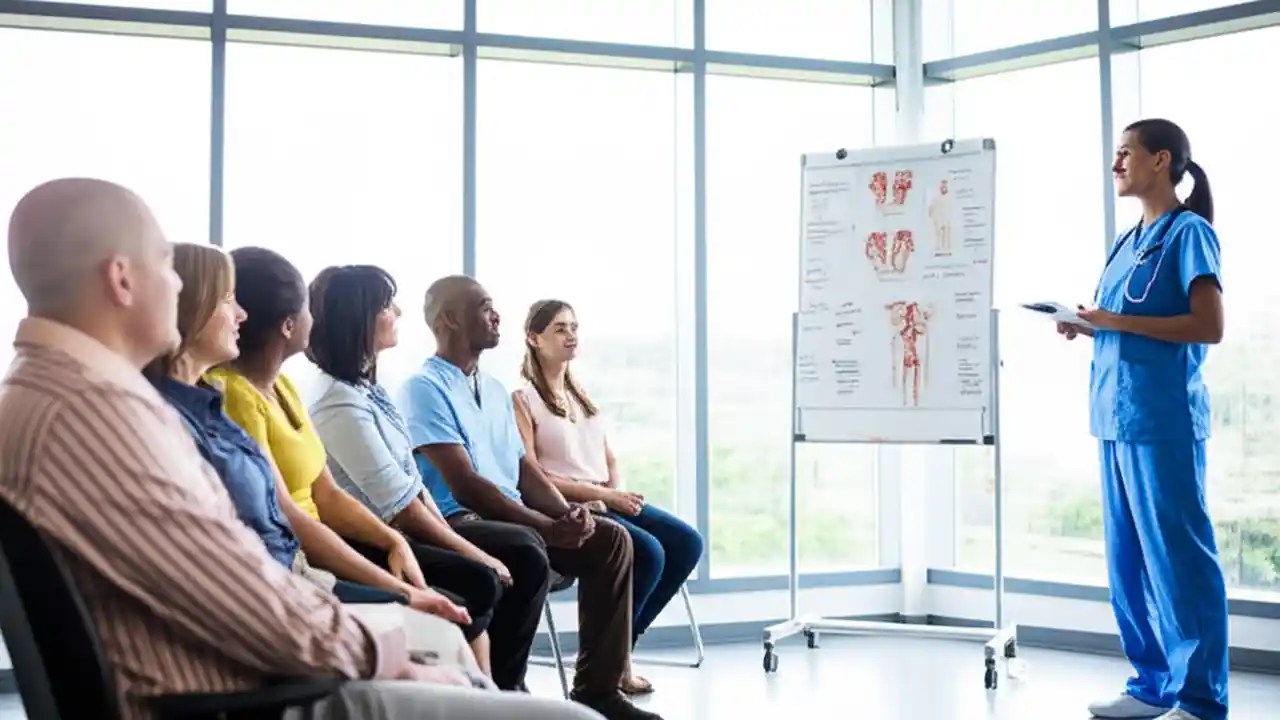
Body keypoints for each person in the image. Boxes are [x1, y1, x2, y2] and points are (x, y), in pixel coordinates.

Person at [0, 177, 604, 720]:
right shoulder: (100, 418)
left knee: (454, 648)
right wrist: (391, 651)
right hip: (238, 697)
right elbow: (249, 600)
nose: (183, 287)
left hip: (236, 676)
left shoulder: (52, 397)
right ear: (121, 278)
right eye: (168, 264)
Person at [143, 243, 487, 679]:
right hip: (288, 594)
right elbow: (265, 539)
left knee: (461, 616)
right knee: (455, 622)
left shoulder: (233, 398)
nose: (242, 315)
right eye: (229, 301)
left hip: (299, 577)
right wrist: (397, 594)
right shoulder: (217, 406)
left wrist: (394, 549)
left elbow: (323, 494)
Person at [402, 275, 663, 720]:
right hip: (461, 521)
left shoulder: (496, 391)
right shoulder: (424, 388)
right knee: (527, 545)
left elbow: (524, 469)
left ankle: (596, 690)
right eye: (484, 307)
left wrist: (568, 515)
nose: (496, 314)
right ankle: (510, 691)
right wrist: (544, 525)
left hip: (515, 516)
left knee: (612, 540)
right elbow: (465, 483)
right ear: (448, 319)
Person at [307, 263, 541, 691]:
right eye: (385, 305)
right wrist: (474, 552)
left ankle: (499, 690)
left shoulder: (370, 389)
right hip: (370, 537)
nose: (397, 310)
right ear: (360, 319)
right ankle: (496, 692)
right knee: (483, 574)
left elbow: (412, 484)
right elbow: (400, 507)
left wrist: (469, 548)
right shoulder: (338, 402)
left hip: (399, 528)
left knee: (499, 564)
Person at [1063, 119, 1228, 720]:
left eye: (1125, 154)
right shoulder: (1127, 240)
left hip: (1163, 420)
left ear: (1161, 160)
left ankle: (1200, 700)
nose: (1116, 164)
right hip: (1113, 417)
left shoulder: (1190, 234)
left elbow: (1208, 326)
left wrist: (1117, 323)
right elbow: (1119, 320)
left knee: (1178, 561)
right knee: (1127, 562)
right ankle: (1152, 685)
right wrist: (1086, 324)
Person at [512, 299, 704, 695]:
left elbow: (608, 456)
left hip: (605, 496)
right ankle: (612, 665)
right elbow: (532, 474)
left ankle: (616, 652)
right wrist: (601, 496)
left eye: (574, 327)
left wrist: (613, 493)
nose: (571, 335)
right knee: (648, 551)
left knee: (686, 542)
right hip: (567, 505)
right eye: (560, 328)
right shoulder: (523, 399)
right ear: (534, 338)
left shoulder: (581, 395)